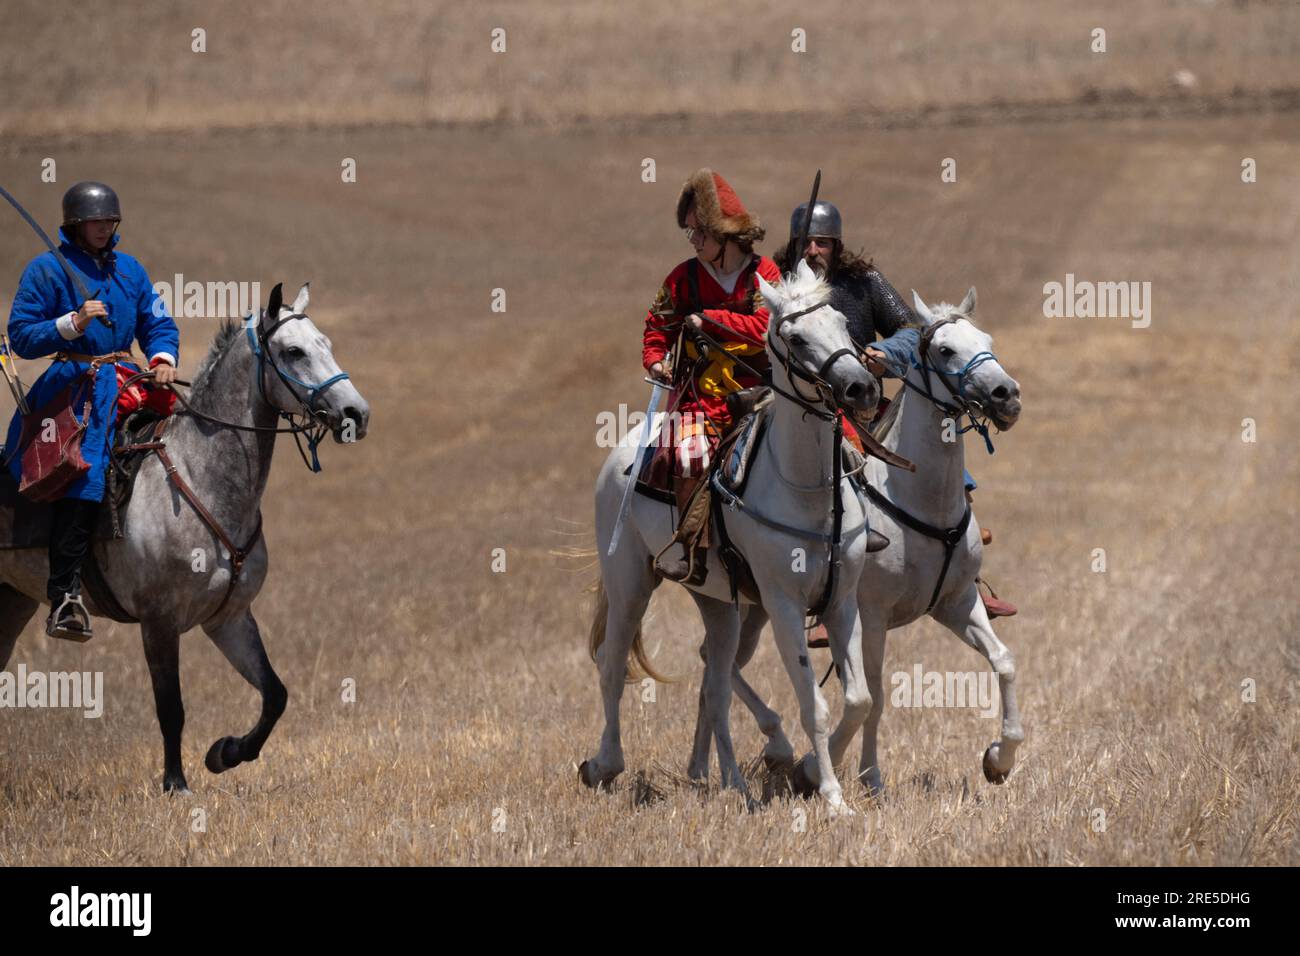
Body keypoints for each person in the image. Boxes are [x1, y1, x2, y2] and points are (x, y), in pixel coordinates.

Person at [776, 200, 1017, 618]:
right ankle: (831, 600)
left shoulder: (862, 281)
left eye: (822, 242)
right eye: (806, 242)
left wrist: (881, 353)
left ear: (836, 244)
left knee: (933, 447)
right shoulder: (779, 288)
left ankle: (966, 570)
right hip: (804, 411)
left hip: (867, 406)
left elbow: (912, 331)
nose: (813, 250)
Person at [3, 181, 180, 639]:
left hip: (127, 382)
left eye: (109, 222)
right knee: (86, 470)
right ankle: (64, 595)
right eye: (95, 222)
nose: (104, 229)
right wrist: (72, 323)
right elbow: (21, 335)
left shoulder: (131, 272)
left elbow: (157, 321)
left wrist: (162, 358)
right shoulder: (47, 270)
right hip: (73, 389)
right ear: (76, 226)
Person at [642, 168, 780, 584]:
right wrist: (655, 360)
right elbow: (658, 327)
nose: (693, 241)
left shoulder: (765, 274)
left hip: (763, 392)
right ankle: (692, 550)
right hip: (699, 398)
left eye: (700, 231)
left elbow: (765, 327)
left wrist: (709, 320)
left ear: (725, 233)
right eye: (690, 233)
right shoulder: (681, 278)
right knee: (689, 455)